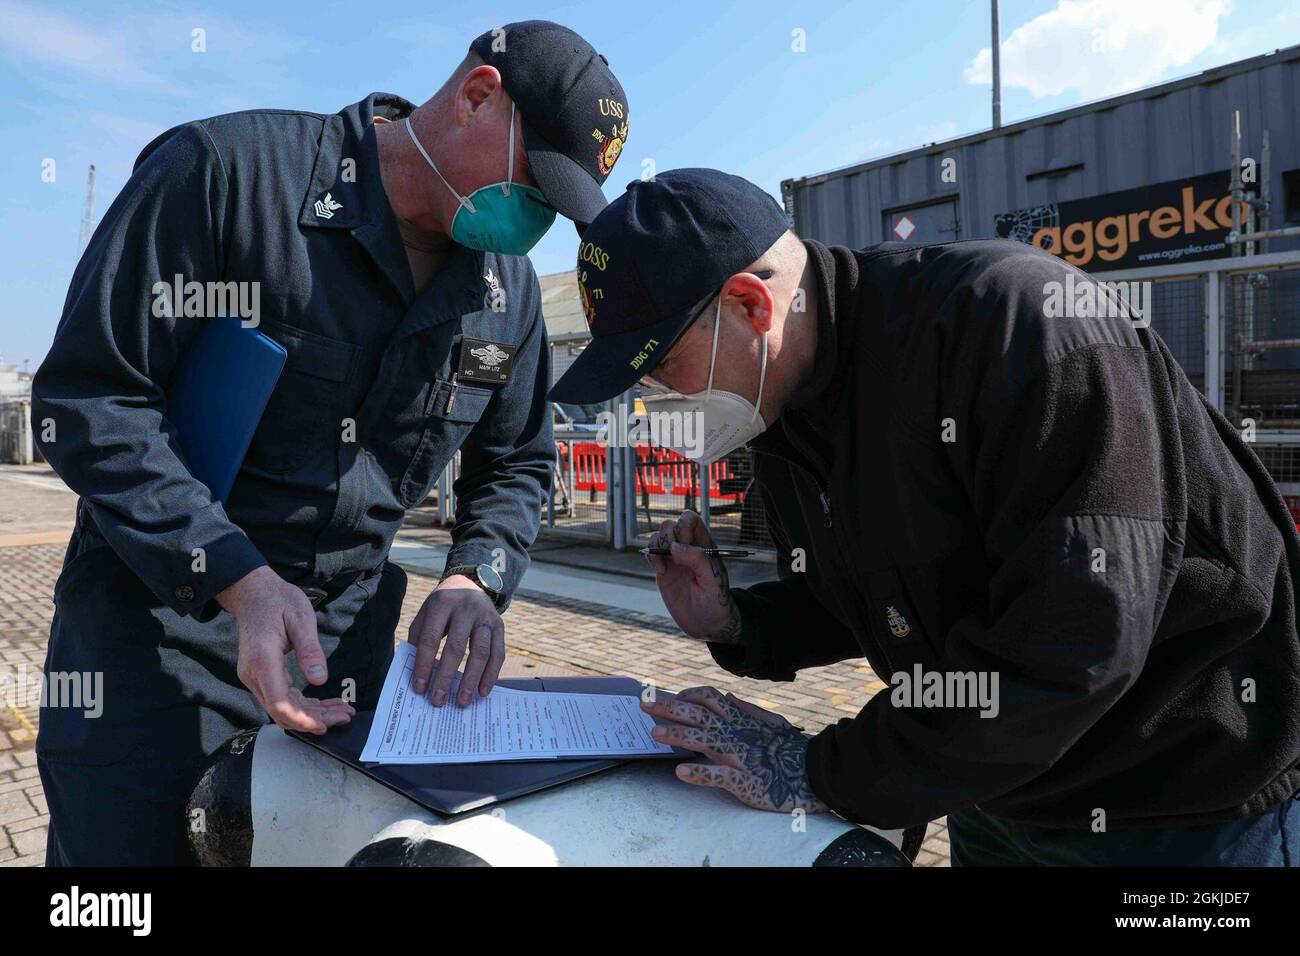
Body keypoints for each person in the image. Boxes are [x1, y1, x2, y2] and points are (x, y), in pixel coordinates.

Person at [547, 168, 1300, 866]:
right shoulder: (782, 408)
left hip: (1183, 808)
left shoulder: (1016, 322)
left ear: (752, 304)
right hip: (990, 787)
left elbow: (1077, 636)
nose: (657, 396)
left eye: (662, 364)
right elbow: (881, 596)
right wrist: (738, 621)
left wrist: (818, 769)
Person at [32, 20, 630, 866]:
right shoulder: (227, 178)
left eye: (555, 211)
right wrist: (238, 580)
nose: (534, 223)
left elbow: (518, 462)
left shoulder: (507, 293)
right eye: (535, 185)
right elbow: (90, 397)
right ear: (476, 97)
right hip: (156, 647)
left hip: (343, 670)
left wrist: (475, 576)